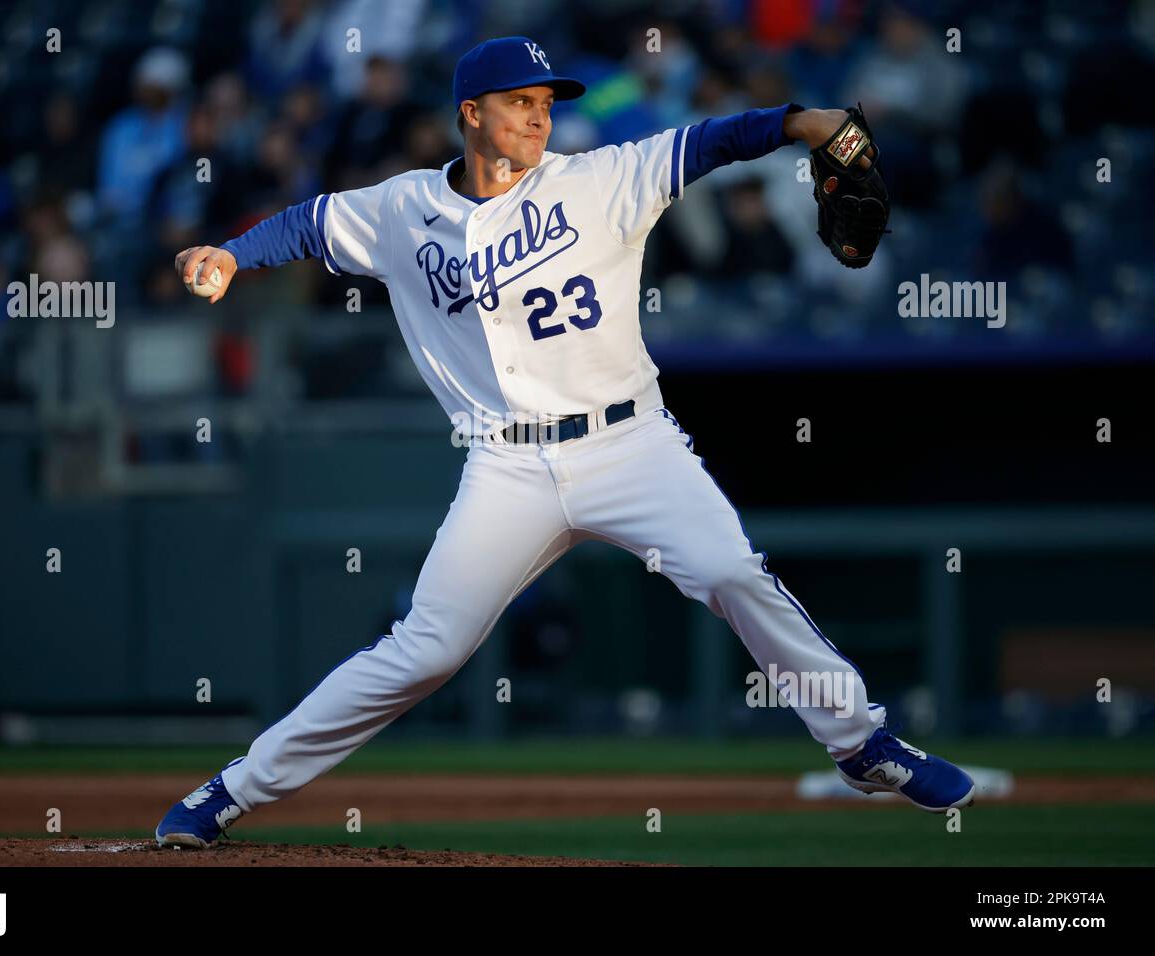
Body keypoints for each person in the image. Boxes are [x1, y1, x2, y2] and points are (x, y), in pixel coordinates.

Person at [156, 36, 975, 849]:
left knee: (732, 572)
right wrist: (231, 255)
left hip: (631, 444)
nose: (540, 118)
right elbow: (311, 222)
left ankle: (862, 744)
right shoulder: (404, 209)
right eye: (521, 102)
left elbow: (714, 141)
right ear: (471, 115)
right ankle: (230, 790)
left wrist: (803, 121)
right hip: (507, 465)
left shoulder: (600, 179)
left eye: (548, 103)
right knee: (424, 651)